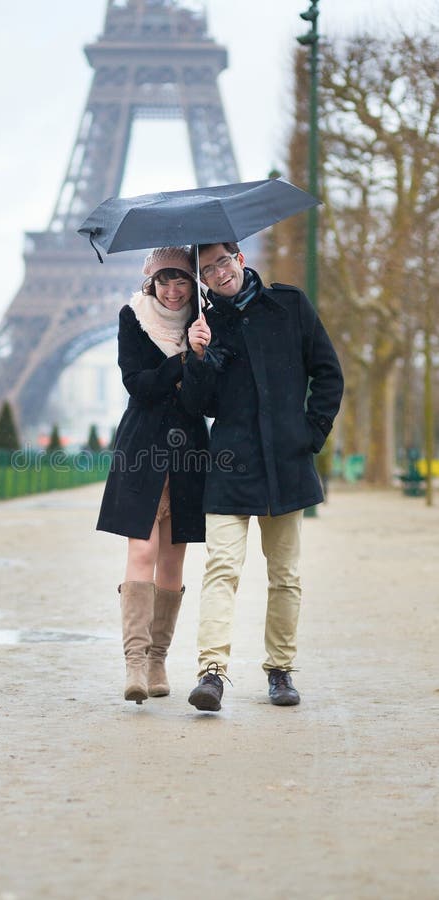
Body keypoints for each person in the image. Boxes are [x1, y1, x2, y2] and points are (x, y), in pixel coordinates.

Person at [181, 241, 344, 711]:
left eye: (223, 263)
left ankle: (280, 670)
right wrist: (198, 359)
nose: (218, 274)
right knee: (222, 570)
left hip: (286, 462)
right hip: (231, 466)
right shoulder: (206, 326)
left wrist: (310, 434)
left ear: (241, 260)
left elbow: (328, 373)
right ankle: (211, 672)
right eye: (207, 271)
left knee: (286, 575)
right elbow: (199, 406)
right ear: (204, 280)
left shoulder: (290, 305)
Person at [97, 246, 209, 704]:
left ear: (191, 283)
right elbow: (136, 384)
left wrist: (201, 355)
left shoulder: (205, 326)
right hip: (142, 446)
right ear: (151, 282)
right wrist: (182, 363)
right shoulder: (133, 318)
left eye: (180, 280)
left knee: (173, 561)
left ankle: (159, 658)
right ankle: (136, 663)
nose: (172, 289)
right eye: (163, 280)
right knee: (142, 551)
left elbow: (206, 400)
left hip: (186, 454)